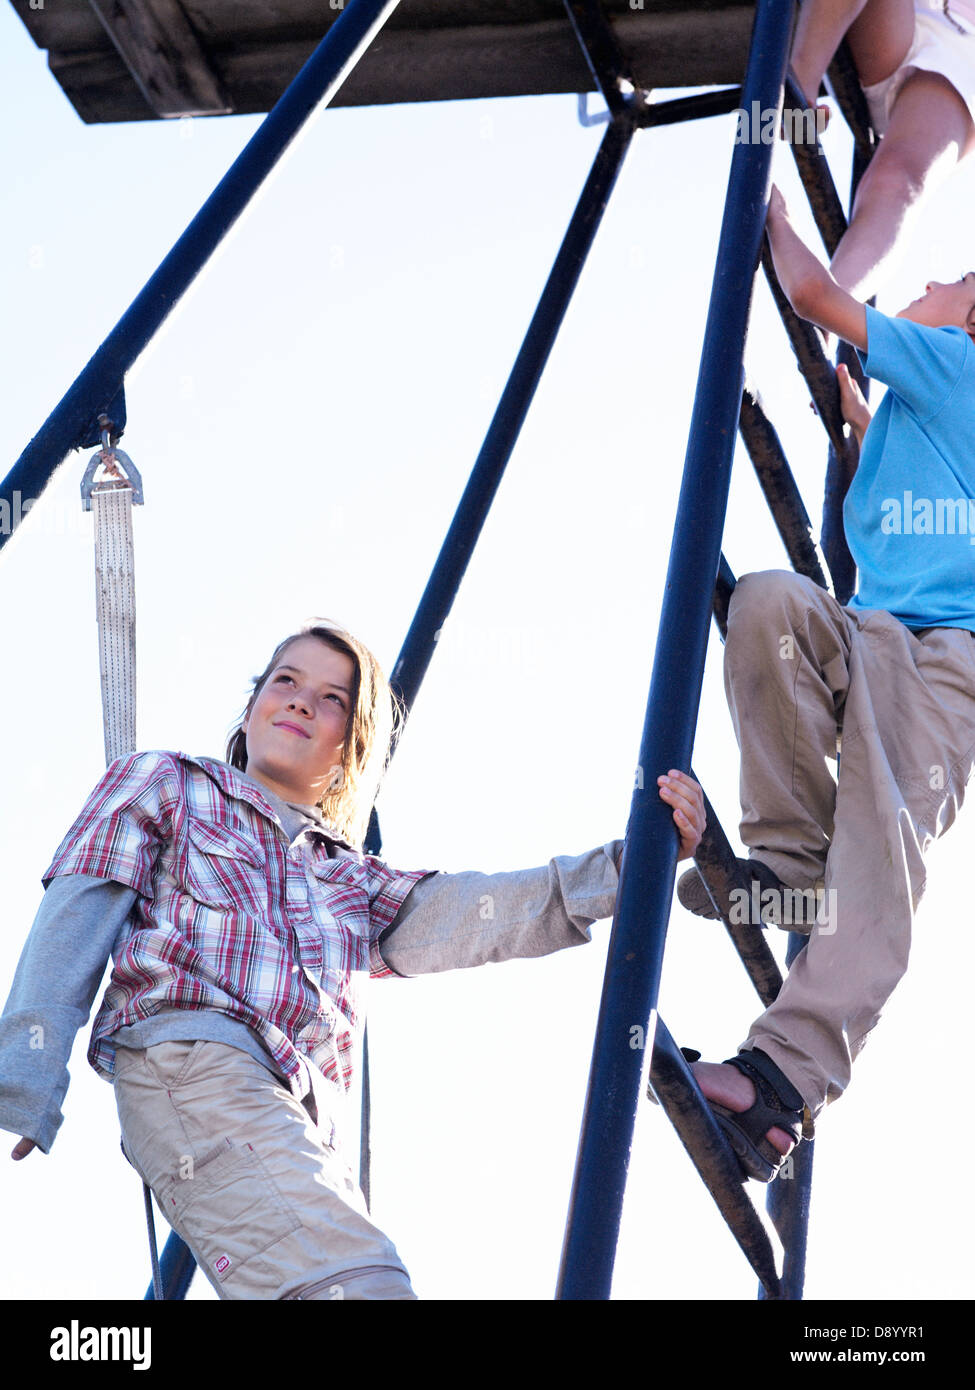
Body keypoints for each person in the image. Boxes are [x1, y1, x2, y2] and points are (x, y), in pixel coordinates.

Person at [0, 617, 705, 1299]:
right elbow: (76, 912)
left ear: (351, 747)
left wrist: (640, 860)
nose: (302, 699)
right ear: (250, 709)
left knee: (335, 1280)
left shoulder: (348, 878)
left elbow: (486, 911)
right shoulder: (169, 782)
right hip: (193, 1062)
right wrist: (24, 1079)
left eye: (332, 699)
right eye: (285, 680)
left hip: (296, 1113)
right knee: (355, 1281)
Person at [677, 183, 975, 1182]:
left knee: (884, 843)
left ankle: (782, 1080)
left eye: (952, 280)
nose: (929, 282)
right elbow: (895, 506)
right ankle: (796, 869)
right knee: (767, 609)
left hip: (945, 658)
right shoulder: (922, 406)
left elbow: (811, 292)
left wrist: (766, 199)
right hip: (875, 628)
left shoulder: (955, 363)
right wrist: (853, 433)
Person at [790, 0, 975, 301]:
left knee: (898, 181)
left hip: (965, 55)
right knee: (770, 112)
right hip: (900, 14)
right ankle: (795, 90)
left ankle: (829, 310)